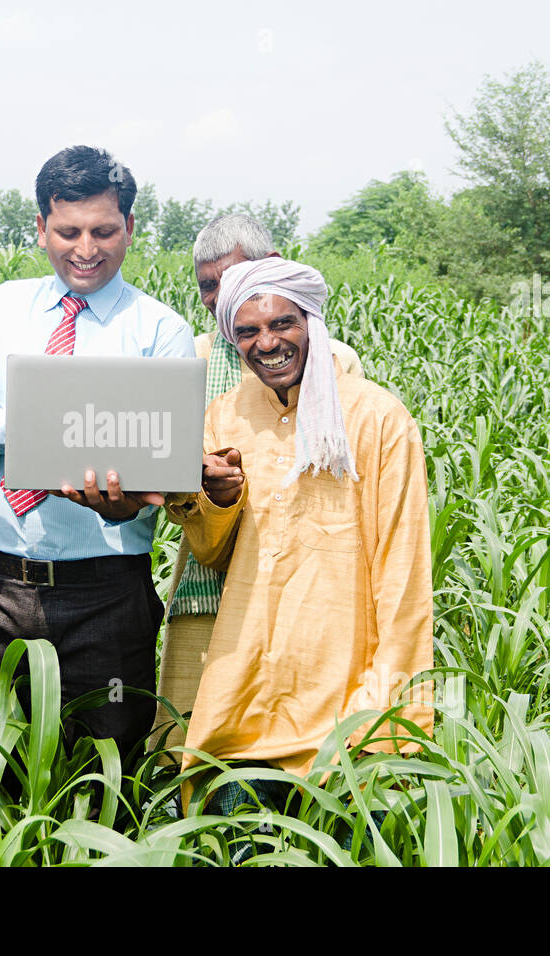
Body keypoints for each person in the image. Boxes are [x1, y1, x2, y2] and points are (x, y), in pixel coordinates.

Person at [0, 146, 194, 829]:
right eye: (68, 232)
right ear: (42, 228)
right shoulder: (4, 308)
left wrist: (130, 495)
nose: (86, 250)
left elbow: (161, 462)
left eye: (103, 232)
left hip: (105, 591)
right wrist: (47, 432)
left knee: (105, 786)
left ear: (131, 228)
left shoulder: (161, 332)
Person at [166, 256, 433, 806]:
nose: (267, 343)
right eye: (248, 331)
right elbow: (212, 555)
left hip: (346, 709)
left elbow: (404, 576)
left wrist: (390, 709)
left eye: (282, 323)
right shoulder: (223, 416)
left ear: (313, 321)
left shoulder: (378, 419)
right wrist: (217, 500)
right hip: (243, 703)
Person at [152, 214, 363, 757]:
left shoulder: (335, 362)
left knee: (294, 741)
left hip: (306, 586)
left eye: (234, 277)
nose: (221, 296)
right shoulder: (186, 358)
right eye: (207, 286)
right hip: (206, 583)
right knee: (193, 745)